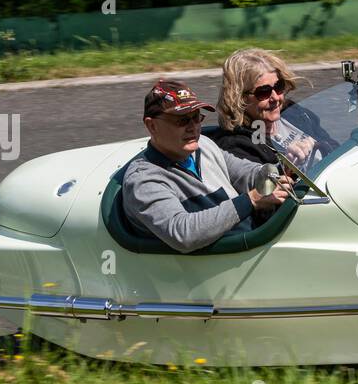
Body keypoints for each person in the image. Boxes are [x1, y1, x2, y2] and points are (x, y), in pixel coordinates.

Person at [122, 79, 292, 253]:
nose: (193, 128)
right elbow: (183, 233)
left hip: (247, 248)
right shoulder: (144, 180)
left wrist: (282, 169)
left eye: (196, 118)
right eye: (181, 120)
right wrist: (251, 200)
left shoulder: (203, 144)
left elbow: (244, 172)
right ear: (152, 125)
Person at [214, 48, 323, 168]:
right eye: (263, 92)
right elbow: (263, 183)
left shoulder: (294, 113)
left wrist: (321, 145)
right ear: (240, 98)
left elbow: (332, 146)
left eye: (278, 86)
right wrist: (287, 165)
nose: (275, 98)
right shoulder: (236, 145)